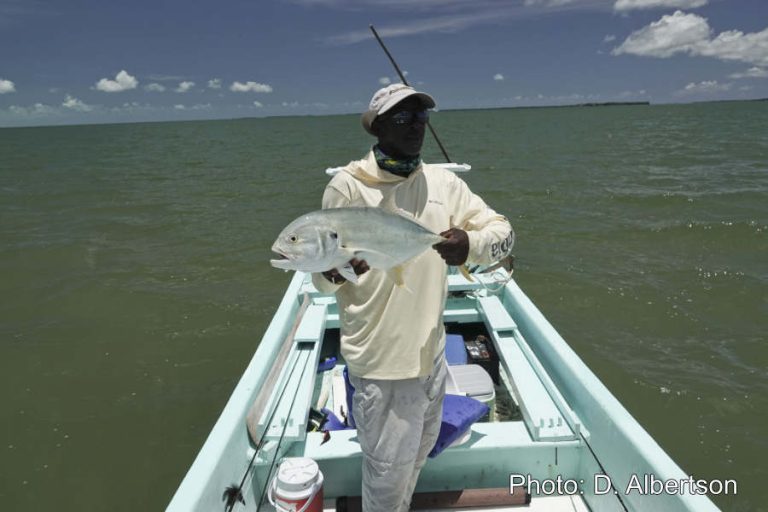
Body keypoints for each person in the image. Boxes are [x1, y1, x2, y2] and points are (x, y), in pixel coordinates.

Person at [311, 83, 514, 512]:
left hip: (431, 354)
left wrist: (471, 245)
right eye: (402, 118)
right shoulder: (347, 188)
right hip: (382, 363)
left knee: (417, 455)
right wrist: (336, 270)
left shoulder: (444, 184)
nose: (415, 127)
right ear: (378, 128)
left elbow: (504, 234)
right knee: (386, 477)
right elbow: (323, 282)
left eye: (421, 117)